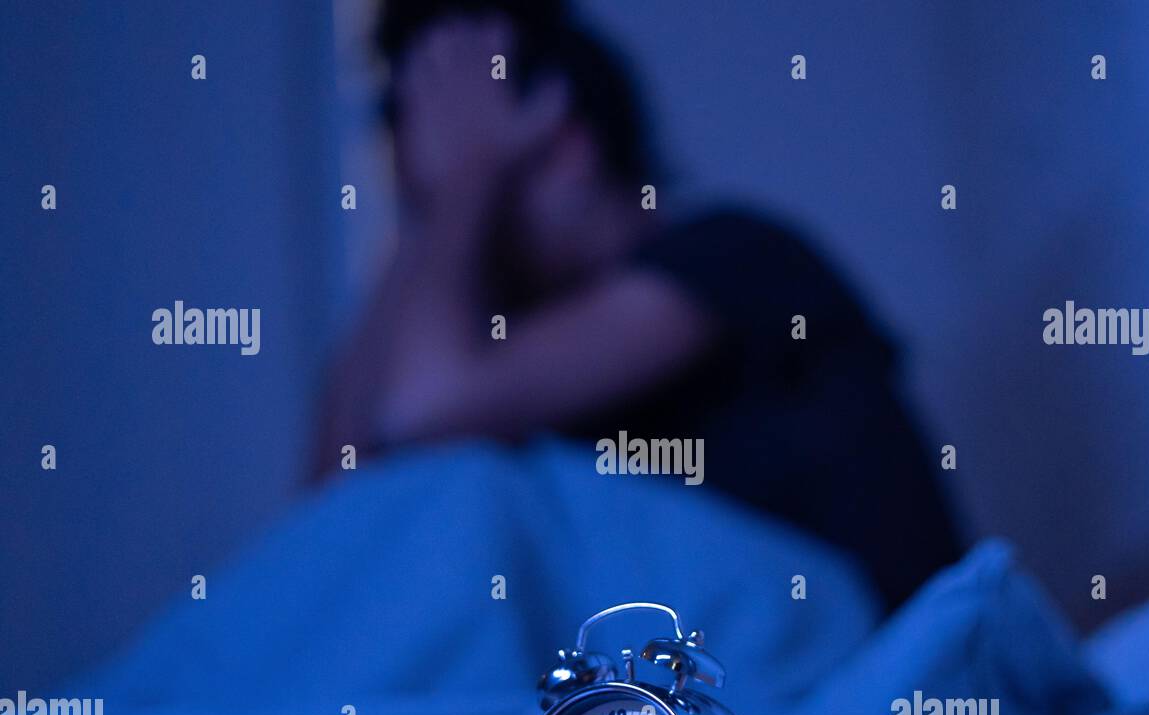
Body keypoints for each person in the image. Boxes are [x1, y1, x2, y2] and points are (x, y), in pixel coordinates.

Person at [316, 0, 962, 610]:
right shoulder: (526, 383)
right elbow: (339, 515)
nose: (473, 238)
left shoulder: (734, 254)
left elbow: (421, 411)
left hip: (880, 681)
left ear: (565, 148)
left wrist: (460, 182)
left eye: (489, 189)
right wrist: (424, 217)